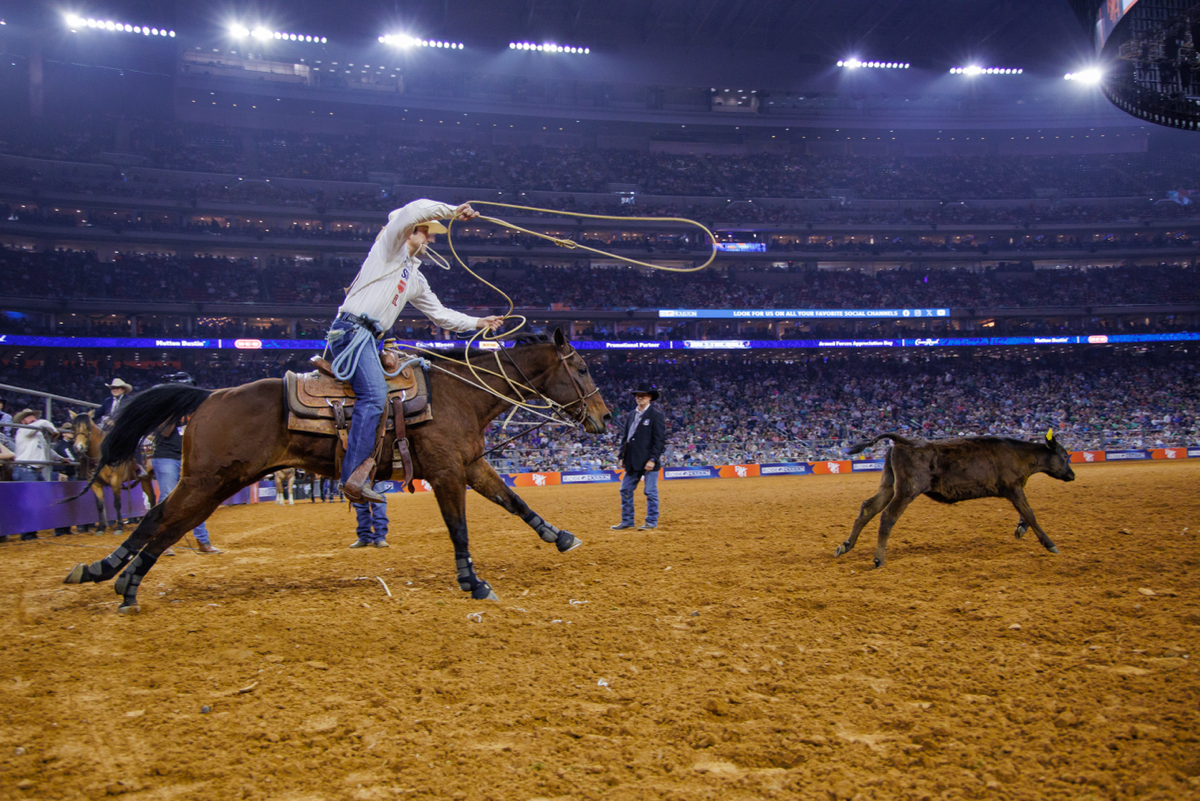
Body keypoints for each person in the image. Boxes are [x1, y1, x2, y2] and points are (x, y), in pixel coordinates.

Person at [326, 198, 504, 503]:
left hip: (365, 337)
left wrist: (478, 322)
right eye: (426, 232)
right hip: (353, 333)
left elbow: (441, 315)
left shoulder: (414, 277)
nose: (431, 238)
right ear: (409, 232)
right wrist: (452, 212)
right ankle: (353, 475)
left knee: (384, 393)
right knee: (373, 395)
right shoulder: (388, 248)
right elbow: (412, 209)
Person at [149, 373, 221, 554]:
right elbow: (164, 431)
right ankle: (160, 542)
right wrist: (176, 409)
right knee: (167, 497)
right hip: (166, 455)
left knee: (197, 498)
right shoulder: (165, 408)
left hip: (188, 458)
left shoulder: (196, 410)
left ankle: (203, 541)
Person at [611, 385, 667, 531]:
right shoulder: (630, 415)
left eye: (643, 395)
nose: (639, 398)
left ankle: (651, 521)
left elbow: (659, 440)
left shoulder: (656, 415)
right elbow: (625, 438)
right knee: (625, 489)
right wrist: (621, 456)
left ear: (650, 397)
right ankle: (628, 520)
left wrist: (653, 459)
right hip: (631, 459)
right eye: (637, 395)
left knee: (650, 491)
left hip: (648, 460)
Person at [349, 482, 390, 548]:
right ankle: (364, 537)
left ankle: (379, 537)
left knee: (378, 501)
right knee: (359, 502)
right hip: (359, 474)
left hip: (375, 473)